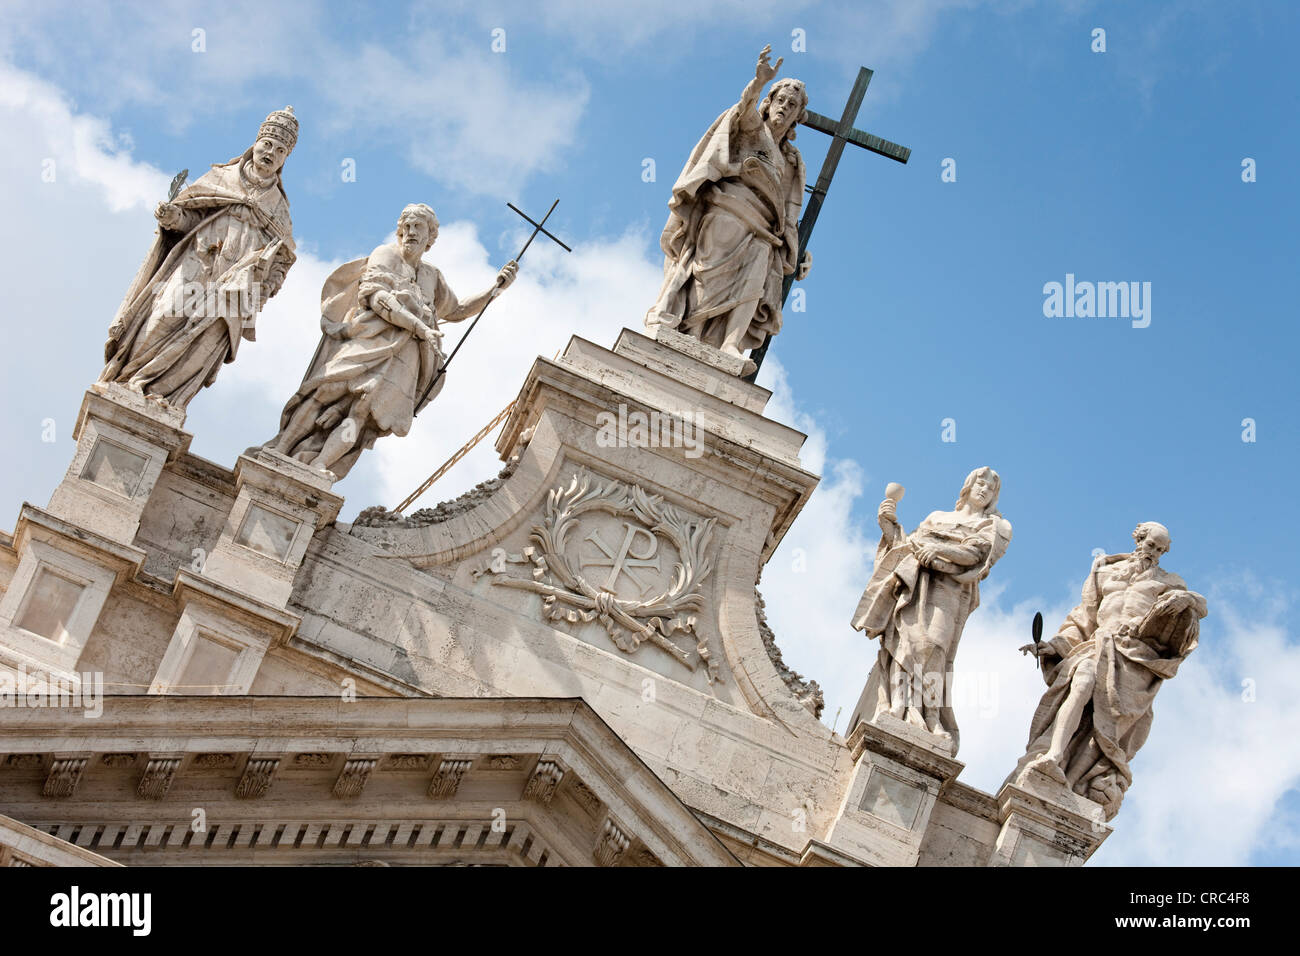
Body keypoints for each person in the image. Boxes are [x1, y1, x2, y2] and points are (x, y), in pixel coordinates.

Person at [262, 203, 516, 479]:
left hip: (404, 357)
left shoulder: (432, 276)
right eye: (405, 227)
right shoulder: (385, 254)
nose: (410, 232)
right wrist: (420, 326)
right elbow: (377, 298)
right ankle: (282, 448)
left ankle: (321, 464)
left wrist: (495, 289)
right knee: (328, 389)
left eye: (418, 227)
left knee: (362, 413)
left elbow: (456, 310)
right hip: (369, 340)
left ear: (431, 237)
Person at [101, 107, 298, 410]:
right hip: (196, 265)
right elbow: (190, 217)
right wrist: (174, 217)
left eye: (281, 150)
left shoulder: (280, 210)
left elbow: (283, 260)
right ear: (255, 143)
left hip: (234, 291)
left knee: (199, 346)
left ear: (286, 159)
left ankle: (161, 397)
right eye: (268, 144)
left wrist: (266, 287)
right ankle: (127, 380)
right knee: (163, 317)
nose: (272, 152)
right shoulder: (221, 177)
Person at [1011, 522, 1207, 819]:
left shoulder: (1168, 582)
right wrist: (1054, 646)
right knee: (1083, 678)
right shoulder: (1104, 570)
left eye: (1159, 549)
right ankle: (1053, 755)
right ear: (1138, 539)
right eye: (1150, 544)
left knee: (1103, 729)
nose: (1153, 552)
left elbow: (1200, 607)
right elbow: (1082, 620)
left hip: (1136, 660)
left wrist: (1187, 599)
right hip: (1098, 644)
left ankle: (1074, 780)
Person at [644, 45, 812, 362]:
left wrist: (795, 249)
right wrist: (758, 82)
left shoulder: (791, 161)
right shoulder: (754, 129)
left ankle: (731, 344)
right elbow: (743, 108)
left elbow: (790, 214)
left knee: (761, 262)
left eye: (792, 106)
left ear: (797, 117)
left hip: (763, 230)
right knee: (705, 270)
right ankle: (690, 329)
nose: (785, 108)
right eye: (781, 101)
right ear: (771, 101)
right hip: (727, 211)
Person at [850, 467, 1012, 753]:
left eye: (990, 487)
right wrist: (890, 527)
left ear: (993, 497)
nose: (984, 488)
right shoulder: (938, 517)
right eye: (980, 482)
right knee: (903, 643)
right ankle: (900, 706)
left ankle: (930, 717)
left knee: (935, 646)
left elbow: (976, 556)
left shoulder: (993, 527)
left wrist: (937, 552)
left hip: (948, 592)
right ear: (968, 485)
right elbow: (905, 548)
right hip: (915, 585)